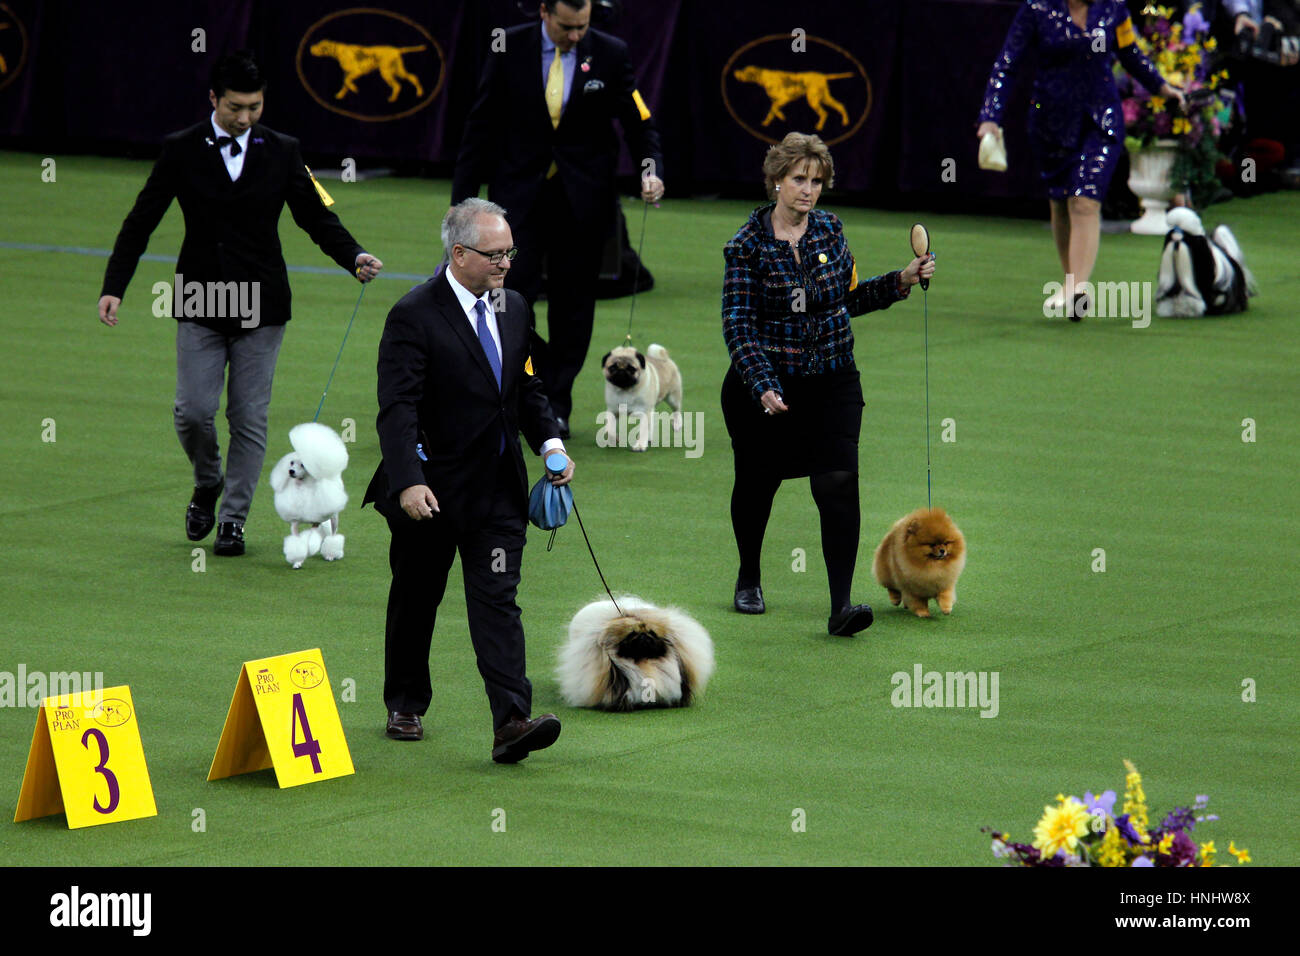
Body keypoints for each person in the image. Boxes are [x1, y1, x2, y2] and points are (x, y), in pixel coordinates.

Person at [97, 51, 383, 556]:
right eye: (236, 107)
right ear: (213, 99)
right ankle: (208, 481)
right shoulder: (181, 149)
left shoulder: (283, 149)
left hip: (262, 303)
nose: (247, 117)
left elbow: (315, 216)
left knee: (248, 419)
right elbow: (141, 219)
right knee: (193, 411)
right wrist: (114, 284)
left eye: (255, 106)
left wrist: (353, 255)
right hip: (200, 298)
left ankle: (233, 520)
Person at [362, 198, 575, 764]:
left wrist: (551, 445)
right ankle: (405, 703)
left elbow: (527, 389)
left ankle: (512, 723)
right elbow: (397, 408)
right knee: (417, 597)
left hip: (498, 492)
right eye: (495, 254)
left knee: (498, 601)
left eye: (511, 252)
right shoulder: (413, 314)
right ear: (459, 254)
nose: (507, 263)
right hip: (429, 495)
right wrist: (408, 481)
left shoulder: (514, 307)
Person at [721, 133, 935, 637]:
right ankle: (749, 575)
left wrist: (900, 280)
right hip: (767, 386)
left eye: (816, 181)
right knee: (757, 485)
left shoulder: (831, 231)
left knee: (837, 481)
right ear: (776, 180)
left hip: (833, 379)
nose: (808, 190)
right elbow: (738, 324)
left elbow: (848, 299)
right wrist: (763, 383)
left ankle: (842, 605)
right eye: (799, 179)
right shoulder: (745, 246)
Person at [451, 0, 666, 437]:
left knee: (573, 307)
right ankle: (524, 389)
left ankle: (556, 404)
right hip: (517, 204)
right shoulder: (507, 45)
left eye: (582, 27)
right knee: (508, 302)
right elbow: (481, 124)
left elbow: (638, 119)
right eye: (567, 27)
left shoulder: (611, 51)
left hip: (583, 204)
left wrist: (651, 167)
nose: (575, 36)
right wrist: (463, 205)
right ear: (544, 11)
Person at [977, 0, 1186, 319]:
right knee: (1061, 200)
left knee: (1085, 200)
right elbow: (1008, 63)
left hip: (1100, 119)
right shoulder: (1036, 9)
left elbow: (1130, 54)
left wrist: (1161, 87)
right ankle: (1072, 282)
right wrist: (991, 117)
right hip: (1049, 121)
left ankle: (1076, 288)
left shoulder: (1113, 8)